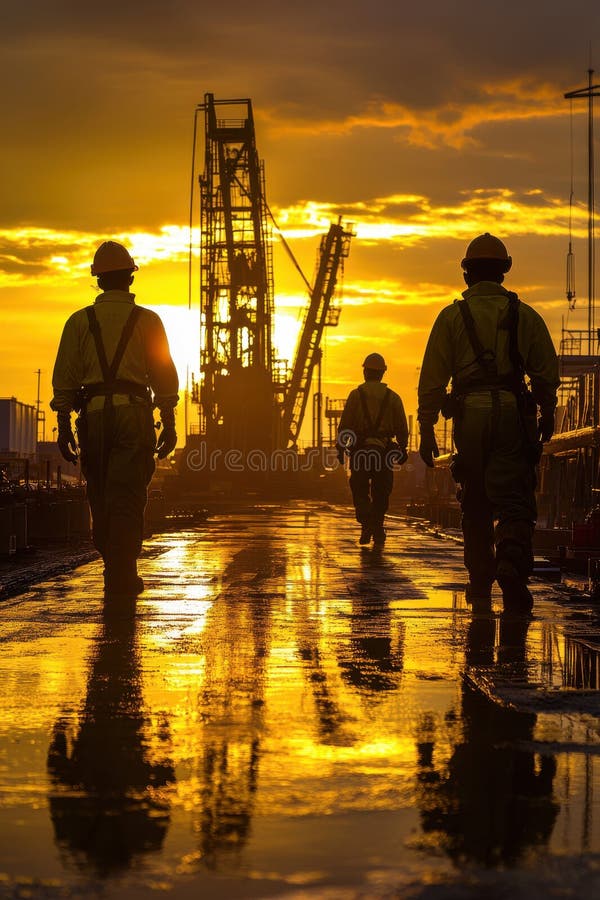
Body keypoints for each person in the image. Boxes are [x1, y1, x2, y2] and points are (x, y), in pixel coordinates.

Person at [417, 233, 559, 613]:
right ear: (504, 272)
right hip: (513, 412)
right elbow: (545, 372)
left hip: (470, 414)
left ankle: (480, 579)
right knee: (514, 499)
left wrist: (427, 427)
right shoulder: (524, 315)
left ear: (466, 275)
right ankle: (512, 562)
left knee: (476, 499)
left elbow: (432, 379)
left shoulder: (450, 318)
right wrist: (548, 411)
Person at [51, 240, 179, 598]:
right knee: (127, 494)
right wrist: (168, 421)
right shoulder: (148, 321)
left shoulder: (78, 322)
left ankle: (115, 568)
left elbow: (64, 379)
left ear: (98, 281)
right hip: (134, 416)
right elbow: (164, 376)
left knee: (101, 495)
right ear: (130, 279)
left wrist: (63, 428)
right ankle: (122, 572)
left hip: (92, 417)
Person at [337, 353, 409, 546]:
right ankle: (376, 526)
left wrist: (340, 449)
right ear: (382, 373)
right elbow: (402, 427)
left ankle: (367, 522)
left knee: (359, 489)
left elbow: (345, 426)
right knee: (382, 491)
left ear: (365, 371)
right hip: (384, 452)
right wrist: (403, 448)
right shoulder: (393, 398)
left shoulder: (355, 395)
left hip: (360, 451)